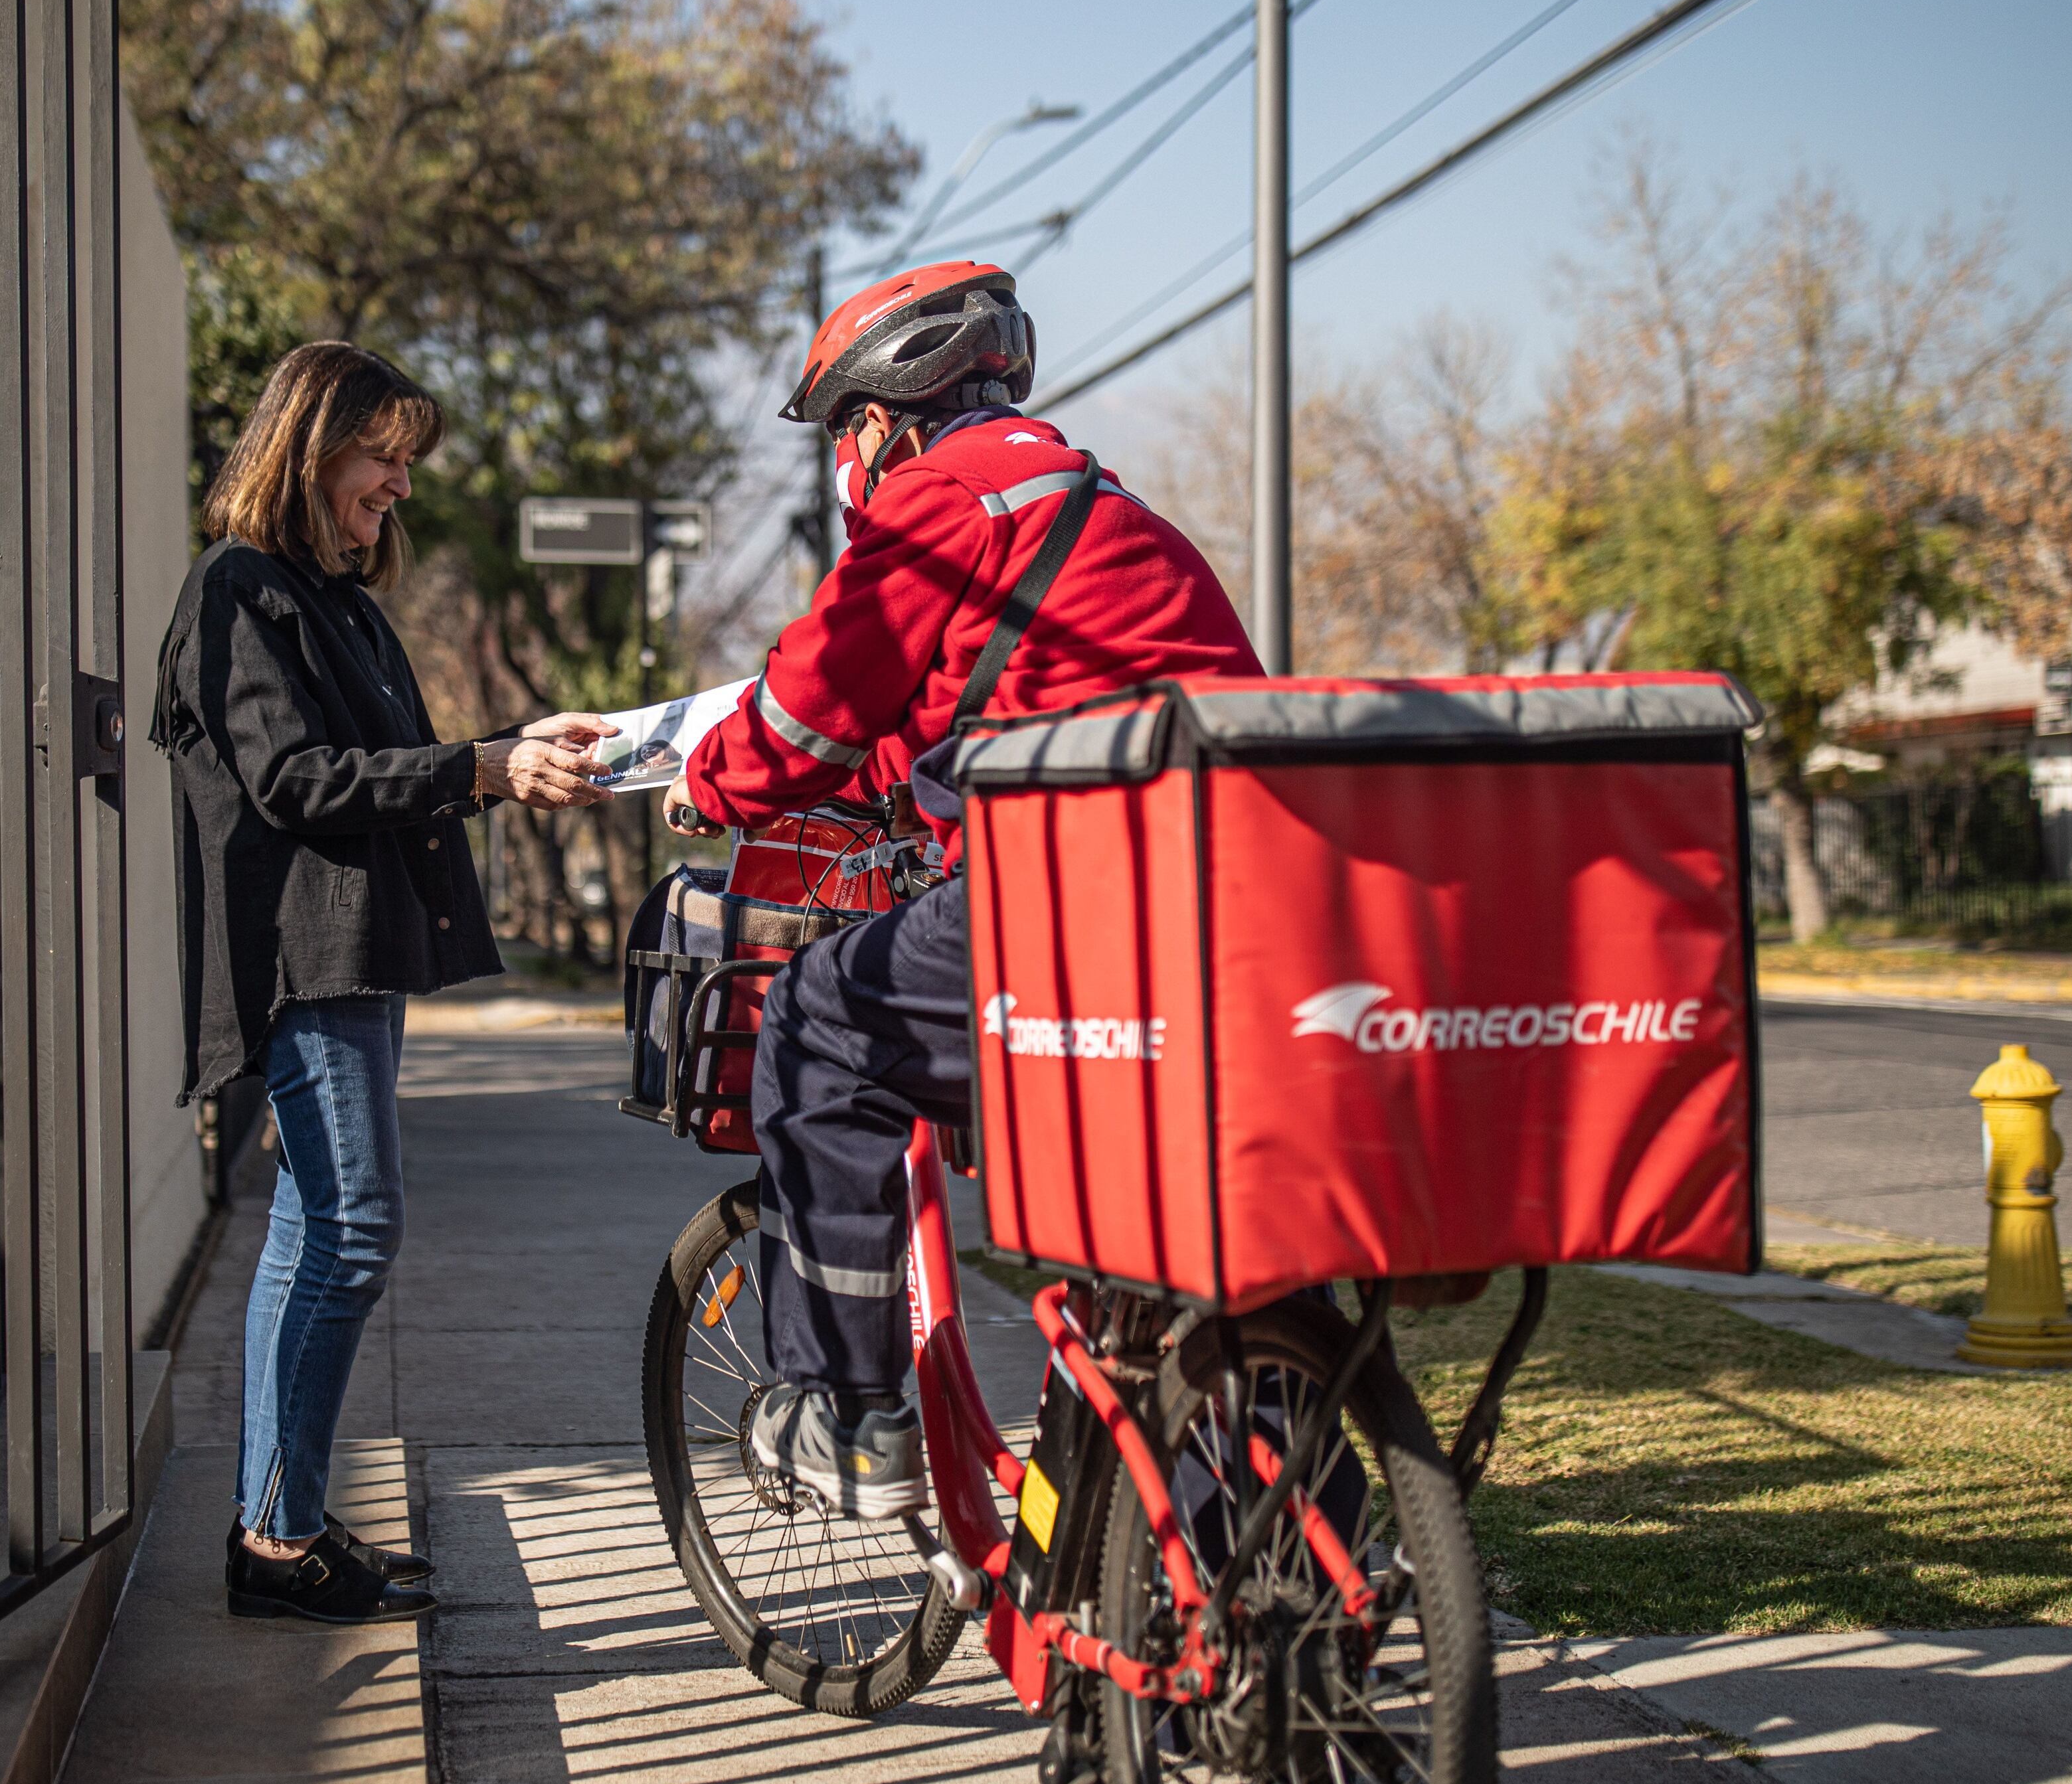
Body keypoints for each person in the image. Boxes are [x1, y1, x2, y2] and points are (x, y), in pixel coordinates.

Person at [663, 263, 1261, 1516]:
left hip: (1079, 882)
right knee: (1159, 1241)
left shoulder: (942, 496)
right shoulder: (1102, 506)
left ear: (881, 418)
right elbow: (966, 701)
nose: (844, 462)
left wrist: (705, 785)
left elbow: (806, 706)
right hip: (1238, 903)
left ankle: (845, 1413)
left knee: (821, 1017)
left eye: (842, 432)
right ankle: (1269, 1537)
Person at [153, 341, 610, 1621]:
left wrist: (521, 754)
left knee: (313, 1230)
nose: (399, 484)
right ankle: (277, 1536)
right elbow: (293, 780)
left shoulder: (334, 598)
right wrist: (480, 767)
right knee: (351, 1230)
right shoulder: (239, 588)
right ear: (311, 445)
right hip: (303, 959)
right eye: (382, 456)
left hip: (351, 951)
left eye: (408, 462)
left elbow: (404, 761)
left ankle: (277, 1531)